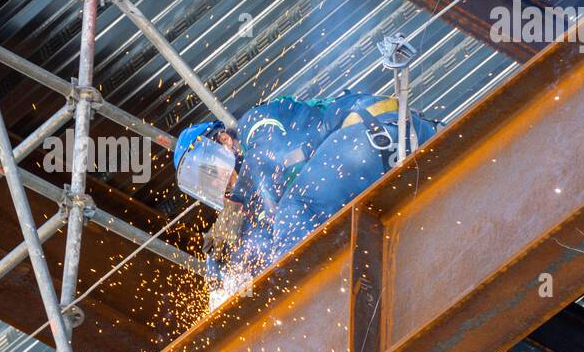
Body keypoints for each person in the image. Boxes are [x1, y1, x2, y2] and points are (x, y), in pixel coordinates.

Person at [175, 88, 438, 301]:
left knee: (294, 215)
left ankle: (303, 305)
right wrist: (227, 274)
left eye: (210, 171)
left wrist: (234, 209)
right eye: (205, 184)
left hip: (378, 129)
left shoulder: (253, 125)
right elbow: (266, 242)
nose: (220, 186)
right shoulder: (261, 199)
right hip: (381, 165)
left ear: (223, 140)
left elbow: (266, 159)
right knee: (277, 246)